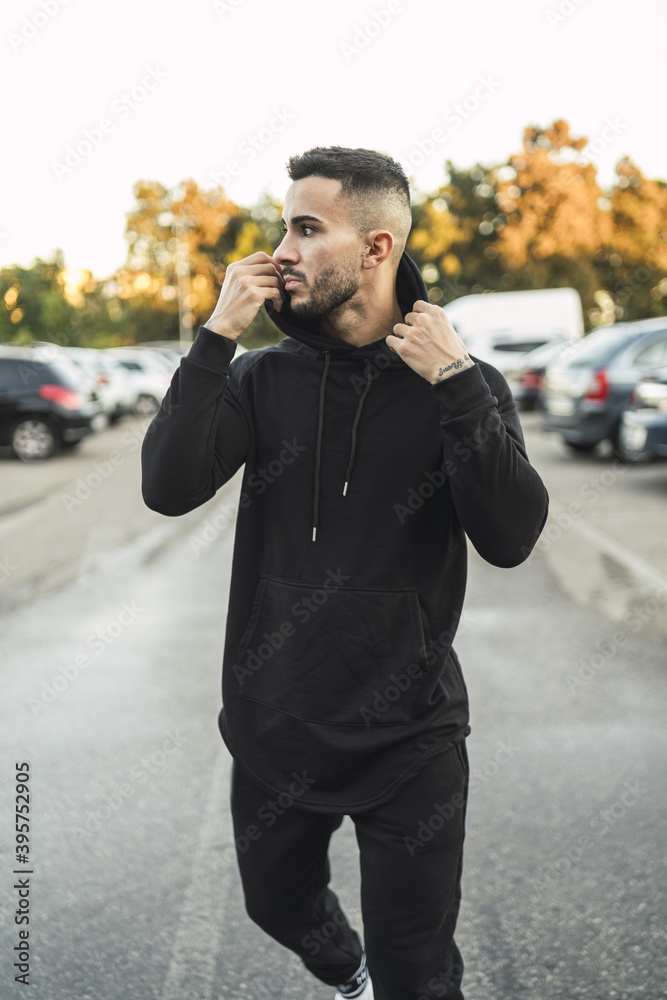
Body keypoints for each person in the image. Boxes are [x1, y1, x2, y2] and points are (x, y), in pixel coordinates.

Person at [141, 145, 549, 1000]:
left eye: (304, 229)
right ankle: (345, 972)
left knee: (417, 971)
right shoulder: (260, 377)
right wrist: (215, 337)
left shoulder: (462, 384)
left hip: (411, 736)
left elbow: (510, 537)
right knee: (276, 905)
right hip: (276, 724)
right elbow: (168, 489)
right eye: (283, 228)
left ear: (376, 248)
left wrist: (454, 382)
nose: (280, 251)